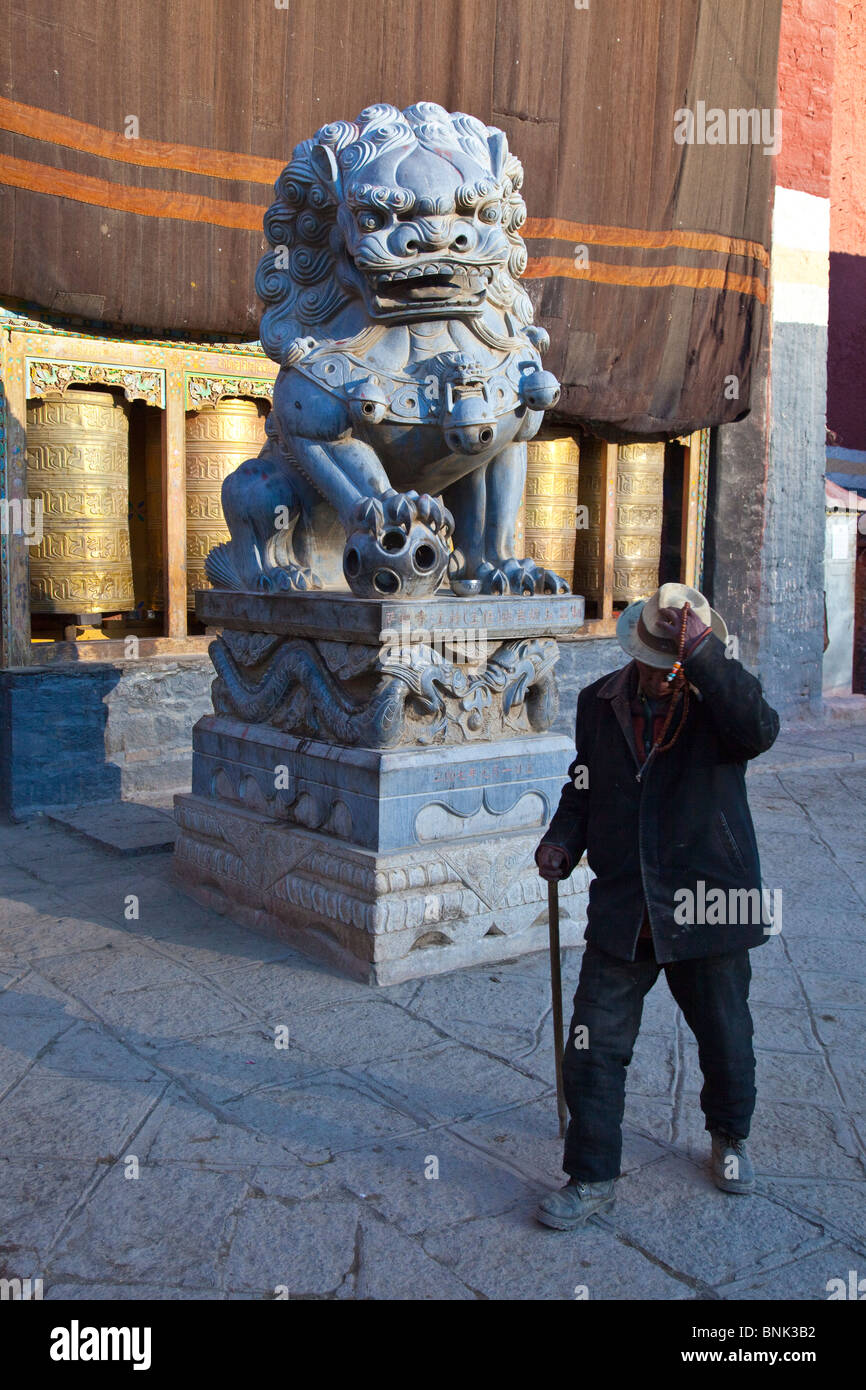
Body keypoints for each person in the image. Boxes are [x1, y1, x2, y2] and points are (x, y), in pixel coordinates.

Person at [534, 582, 780, 1232]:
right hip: (625, 905)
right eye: (663, 660)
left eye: (681, 662)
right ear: (637, 655)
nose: (670, 674)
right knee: (591, 1045)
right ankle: (590, 1177)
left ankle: (730, 1138)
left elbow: (761, 730)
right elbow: (583, 784)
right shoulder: (598, 703)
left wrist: (706, 660)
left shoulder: (718, 705)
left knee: (727, 1038)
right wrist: (562, 839)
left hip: (710, 900)